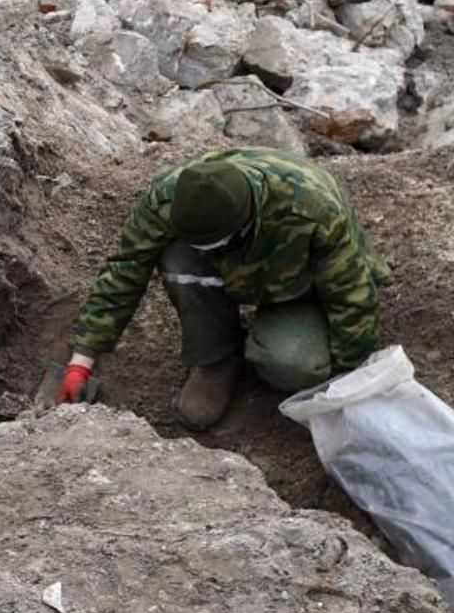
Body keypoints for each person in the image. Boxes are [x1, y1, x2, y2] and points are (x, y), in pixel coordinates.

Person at [54, 147, 389, 430]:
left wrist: (350, 380)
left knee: (294, 365)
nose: (204, 251)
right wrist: (81, 361)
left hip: (298, 285)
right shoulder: (171, 197)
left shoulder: (311, 210)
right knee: (177, 257)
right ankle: (217, 356)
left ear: (242, 222)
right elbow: (126, 268)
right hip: (237, 268)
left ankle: (274, 334)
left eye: (211, 243)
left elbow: (351, 294)